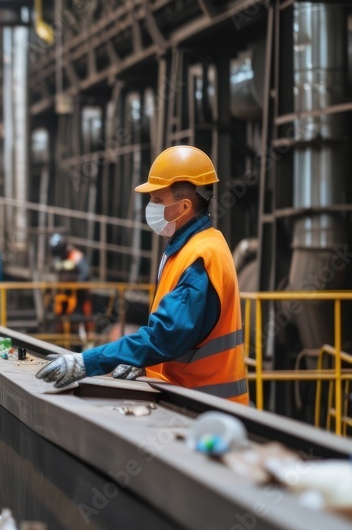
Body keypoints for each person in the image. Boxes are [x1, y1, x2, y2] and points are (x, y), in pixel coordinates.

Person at [36, 145, 248, 405]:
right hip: (192, 400)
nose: (152, 206)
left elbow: (166, 336)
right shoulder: (195, 244)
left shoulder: (200, 258)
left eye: (158, 200)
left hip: (206, 412)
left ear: (183, 206)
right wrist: (144, 363)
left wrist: (87, 361)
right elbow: (183, 339)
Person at [49, 233, 92, 339]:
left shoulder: (76, 256)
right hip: (64, 296)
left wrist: (75, 285)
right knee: (60, 320)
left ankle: (83, 342)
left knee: (79, 321)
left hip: (78, 296)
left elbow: (85, 274)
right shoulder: (60, 258)